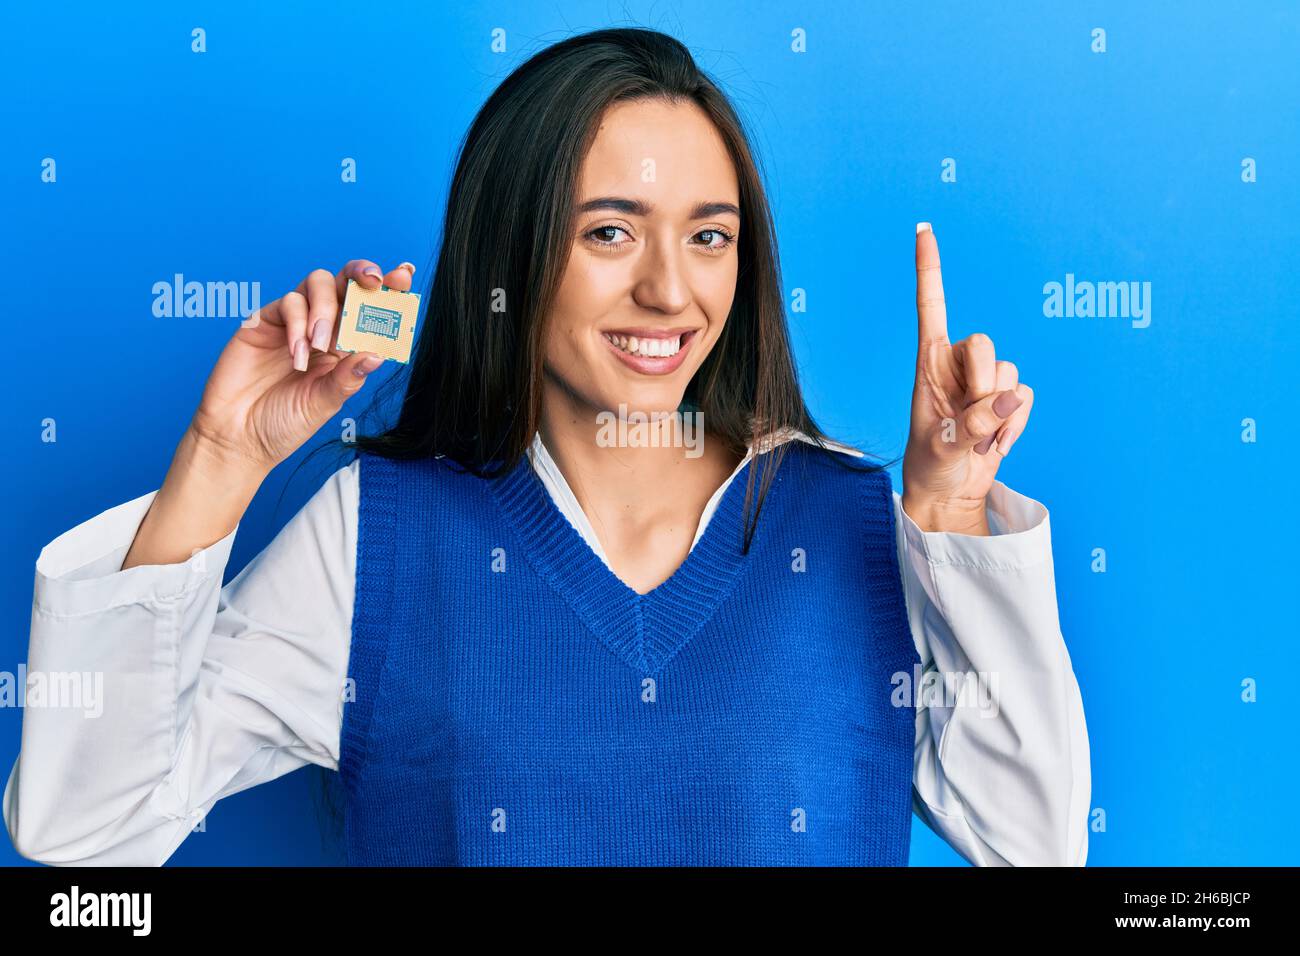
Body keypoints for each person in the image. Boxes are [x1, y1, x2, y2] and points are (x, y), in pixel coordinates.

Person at [3, 27, 1088, 866]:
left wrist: (945, 517)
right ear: (512, 252)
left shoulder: (852, 522)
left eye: (708, 235)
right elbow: (87, 832)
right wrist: (219, 460)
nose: (670, 290)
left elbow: (1034, 839)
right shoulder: (378, 533)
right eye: (609, 231)